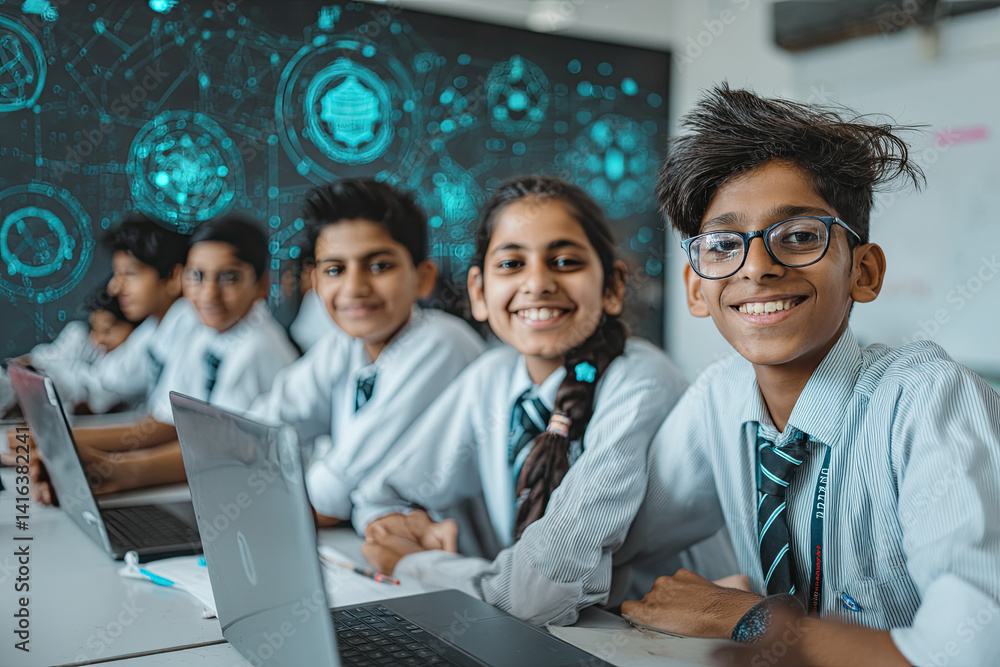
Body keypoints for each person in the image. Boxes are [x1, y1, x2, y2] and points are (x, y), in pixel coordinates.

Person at [618, 84, 1000, 665]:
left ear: (863, 272)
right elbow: (612, 545)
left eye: (798, 236)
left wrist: (750, 620)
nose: (758, 267)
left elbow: (973, 650)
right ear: (698, 288)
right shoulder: (720, 398)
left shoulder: (926, 400)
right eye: (724, 245)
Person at [352, 176, 728, 627]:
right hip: (543, 636)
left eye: (565, 261)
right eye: (511, 263)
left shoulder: (641, 383)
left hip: (653, 642)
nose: (537, 283)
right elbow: (376, 496)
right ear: (478, 292)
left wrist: (410, 563)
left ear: (612, 286)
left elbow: (537, 594)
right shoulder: (490, 378)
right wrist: (407, 524)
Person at [249, 178, 484, 523]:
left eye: (379, 266)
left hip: (453, 560)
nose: (354, 287)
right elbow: (256, 429)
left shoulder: (442, 343)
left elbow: (332, 493)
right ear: (316, 284)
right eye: (335, 270)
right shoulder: (344, 346)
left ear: (422, 277)